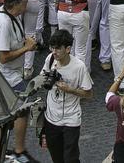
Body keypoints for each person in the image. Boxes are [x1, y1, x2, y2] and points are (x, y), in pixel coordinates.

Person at [0, 0, 35, 163]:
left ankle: (1, 147)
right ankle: (18, 150)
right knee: (22, 107)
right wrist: (27, 48)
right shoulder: (3, 22)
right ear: (16, 4)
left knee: (7, 110)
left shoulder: (11, 16)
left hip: (10, 73)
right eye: (25, 0)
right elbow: (3, 57)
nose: (27, 3)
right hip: (6, 74)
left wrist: (25, 41)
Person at [40, 28, 93, 163]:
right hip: (51, 118)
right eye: (52, 48)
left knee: (71, 159)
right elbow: (41, 77)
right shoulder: (50, 59)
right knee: (56, 158)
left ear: (68, 49)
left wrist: (71, 90)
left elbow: (88, 94)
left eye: (58, 49)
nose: (54, 52)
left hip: (71, 119)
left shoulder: (79, 67)